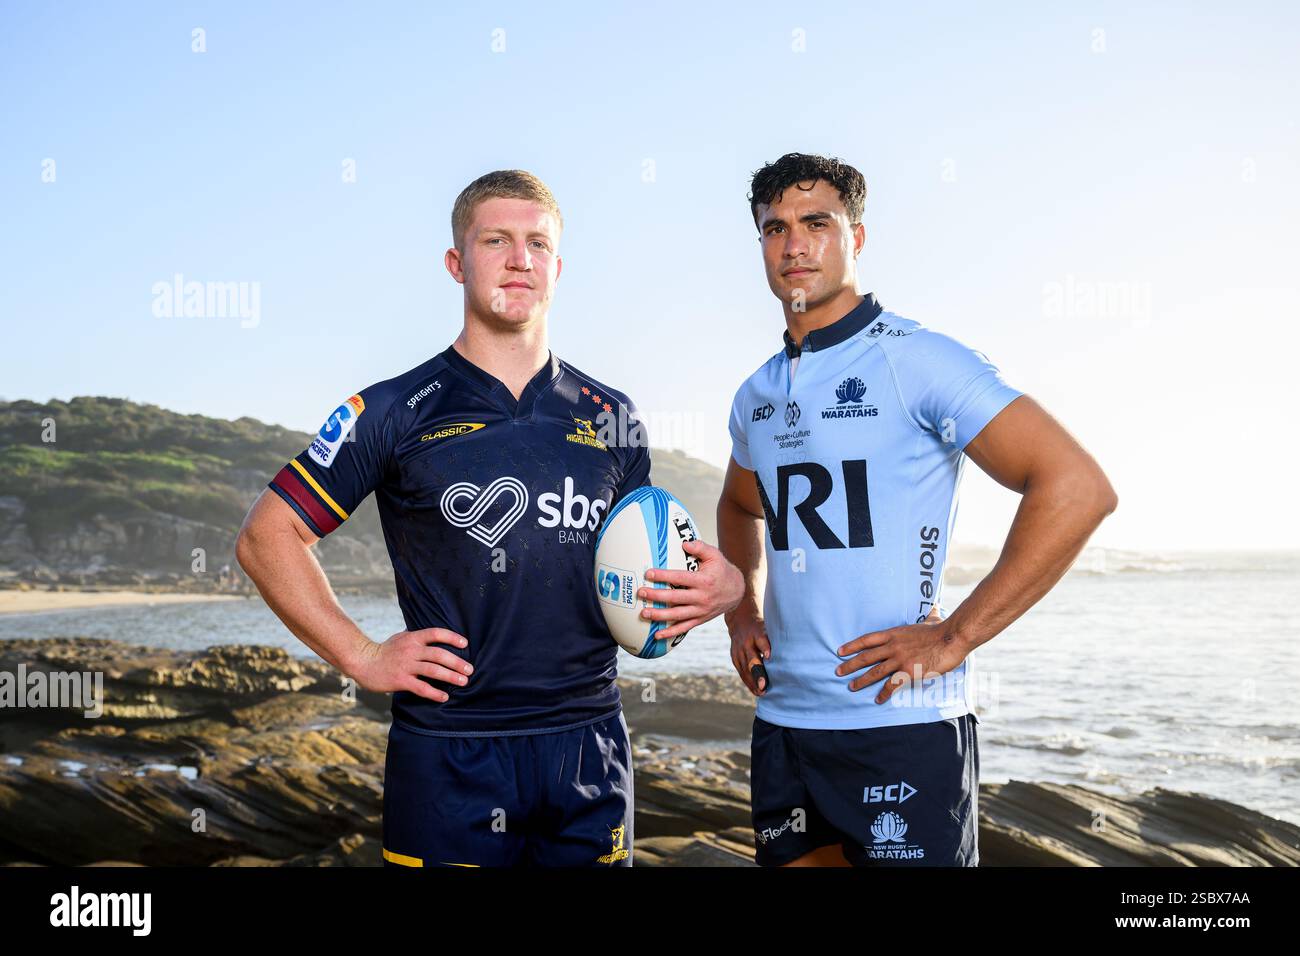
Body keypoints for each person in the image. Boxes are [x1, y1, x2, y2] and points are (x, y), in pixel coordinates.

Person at [235, 169, 742, 867]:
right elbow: (267, 537)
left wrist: (720, 593)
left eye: (537, 243)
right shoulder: (392, 408)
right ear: (457, 262)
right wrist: (361, 653)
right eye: (494, 239)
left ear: (557, 268)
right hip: (450, 755)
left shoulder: (611, 415)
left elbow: (647, 578)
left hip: (589, 746)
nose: (517, 259)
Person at [653, 152, 1117, 866]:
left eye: (817, 223)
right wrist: (743, 612)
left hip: (901, 725)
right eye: (774, 229)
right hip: (785, 723)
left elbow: (1077, 487)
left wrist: (956, 636)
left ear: (857, 238)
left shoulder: (917, 359)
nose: (795, 245)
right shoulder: (756, 394)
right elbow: (740, 507)